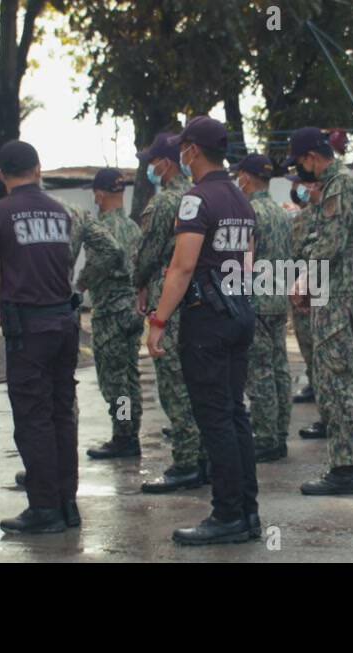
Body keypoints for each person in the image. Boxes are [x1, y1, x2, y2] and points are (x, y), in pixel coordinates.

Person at [146, 116, 258, 545]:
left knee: (215, 419)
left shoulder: (196, 200)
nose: (180, 154)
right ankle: (246, 513)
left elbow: (183, 265)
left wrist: (158, 321)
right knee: (234, 414)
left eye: (183, 147)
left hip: (207, 319)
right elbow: (248, 261)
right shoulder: (241, 198)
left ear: (193, 150)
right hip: (237, 312)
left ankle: (227, 515)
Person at [0, 140, 81, 535]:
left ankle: (44, 508)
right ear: (38, 169)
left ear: (1, 175)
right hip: (64, 322)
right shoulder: (61, 211)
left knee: (33, 419)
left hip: (30, 331)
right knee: (61, 414)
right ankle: (67, 504)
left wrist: (13, 300)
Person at [287, 127, 353, 495]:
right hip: (336, 284)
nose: (301, 171)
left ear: (311, 156)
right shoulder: (342, 184)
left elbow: (329, 241)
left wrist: (305, 277)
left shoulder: (339, 183)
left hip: (336, 287)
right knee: (345, 377)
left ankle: (345, 469)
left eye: (301, 163)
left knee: (337, 379)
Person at [132, 132, 207, 493]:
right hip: (203, 300)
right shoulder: (201, 196)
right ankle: (204, 456)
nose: (150, 168)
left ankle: (187, 462)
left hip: (171, 299)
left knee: (174, 385)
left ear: (167, 163)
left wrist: (139, 283)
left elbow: (148, 253)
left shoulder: (164, 204)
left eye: (153, 161)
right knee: (198, 381)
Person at [76, 168, 144, 460]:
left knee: (115, 381)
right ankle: (130, 431)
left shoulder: (100, 229)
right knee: (129, 375)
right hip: (132, 310)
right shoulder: (133, 227)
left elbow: (104, 259)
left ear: (99, 194)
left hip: (110, 314)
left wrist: (81, 283)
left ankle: (124, 435)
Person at [234, 154, 292, 462]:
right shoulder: (281, 212)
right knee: (279, 366)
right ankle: (280, 432)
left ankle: (266, 436)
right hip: (278, 296)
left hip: (256, 298)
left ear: (245, 176)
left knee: (260, 371)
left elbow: (245, 261)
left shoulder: (248, 212)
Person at [288, 175, 318, 406]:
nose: (296, 188)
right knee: (306, 343)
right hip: (303, 284)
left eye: (299, 183)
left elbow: (299, 251)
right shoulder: (300, 215)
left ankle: (319, 387)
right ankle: (314, 382)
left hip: (311, 287)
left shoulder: (312, 216)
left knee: (313, 342)